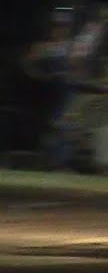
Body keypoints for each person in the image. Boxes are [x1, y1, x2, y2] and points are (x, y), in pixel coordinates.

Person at [19, 10, 76, 170]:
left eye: (64, 27)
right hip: (48, 94)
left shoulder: (70, 47)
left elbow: (75, 68)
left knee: (63, 126)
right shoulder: (43, 47)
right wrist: (40, 76)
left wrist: (71, 74)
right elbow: (26, 64)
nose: (61, 30)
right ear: (52, 28)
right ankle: (53, 163)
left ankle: (60, 163)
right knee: (53, 127)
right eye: (58, 26)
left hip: (66, 93)